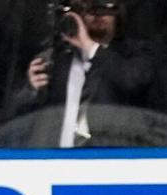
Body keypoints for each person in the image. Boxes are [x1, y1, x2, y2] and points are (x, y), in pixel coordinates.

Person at [19, 0, 157, 147]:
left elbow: (132, 81)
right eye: (89, 7)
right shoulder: (56, 60)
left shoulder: (135, 54)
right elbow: (20, 121)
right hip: (60, 157)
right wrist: (31, 90)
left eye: (103, 6)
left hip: (111, 157)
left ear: (118, 13)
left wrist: (90, 47)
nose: (97, 14)